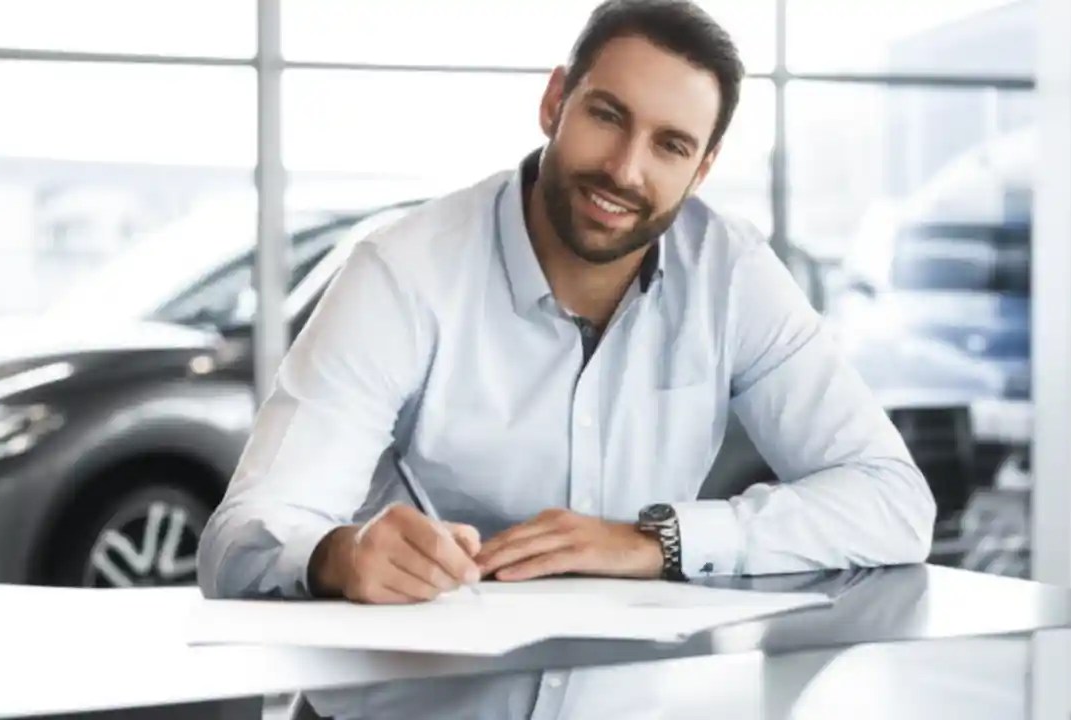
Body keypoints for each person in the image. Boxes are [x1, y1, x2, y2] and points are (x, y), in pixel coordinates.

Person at [198, 0, 936, 717]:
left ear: (702, 168)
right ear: (556, 101)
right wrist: (340, 554)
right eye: (607, 116)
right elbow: (246, 533)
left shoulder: (731, 274)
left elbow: (892, 501)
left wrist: (658, 540)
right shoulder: (405, 270)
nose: (624, 169)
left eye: (669, 145)